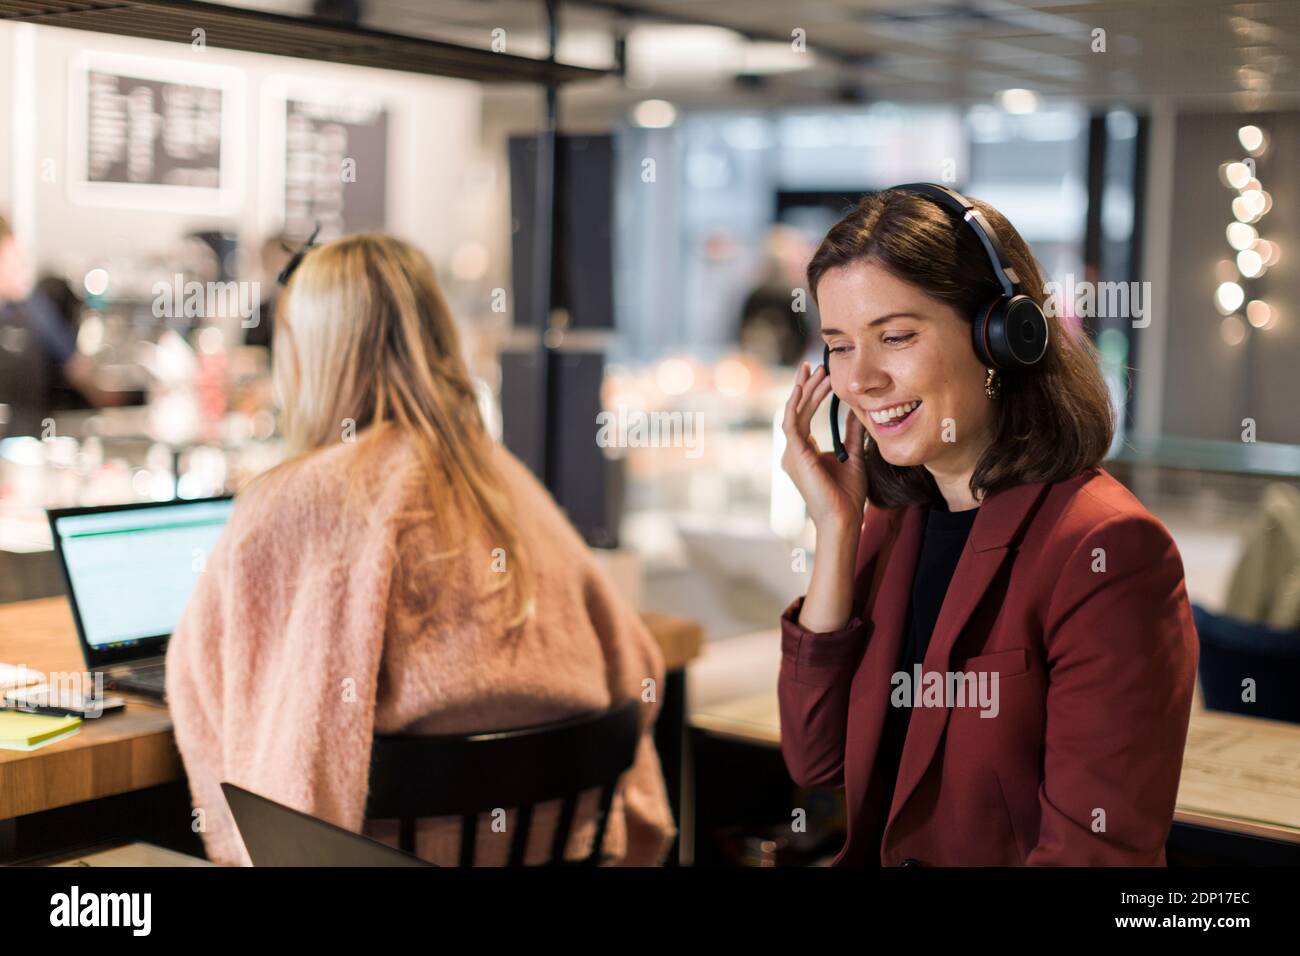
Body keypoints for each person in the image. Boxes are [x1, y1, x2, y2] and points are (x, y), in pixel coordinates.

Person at [166, 233, 676, 866]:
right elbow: (637, 663)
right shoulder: (504, 478)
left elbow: (232, 703)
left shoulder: (298, 500)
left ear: (305, 354)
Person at [777, 186, 1198, 866]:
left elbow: (1094, 857)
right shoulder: (893, 525)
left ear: (1002, 335)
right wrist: (836, 530)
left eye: (895, 337)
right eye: (840, 346)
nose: (862, 380)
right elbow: (814, 758)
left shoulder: (1106, 551)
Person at [0, 215, 124, 435]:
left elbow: (77, 367)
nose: (22, 268)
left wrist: (120, 404)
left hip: (26, 442)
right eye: (13, 261)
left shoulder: (34, 310)